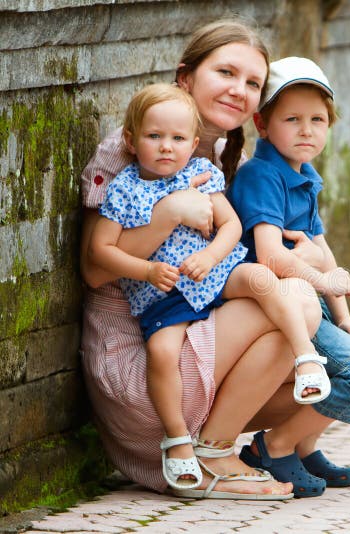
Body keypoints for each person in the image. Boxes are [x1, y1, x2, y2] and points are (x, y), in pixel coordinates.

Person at [79, 20, 327, 500]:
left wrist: (311, 254)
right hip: (142, 358)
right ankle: (211, 453)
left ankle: (219, 448)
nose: (239, 90)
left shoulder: (207, 154)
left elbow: (234, 245)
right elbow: (94, 270)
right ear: (186, 77)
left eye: (253, 83)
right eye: (226, 72)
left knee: (324, 363)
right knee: (298, 302)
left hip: (190, 316)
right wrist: (169, 214)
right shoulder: (134, 149)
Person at [227, 57, 350, 496]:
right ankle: (272, 447)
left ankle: (303, 445)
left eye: (318, 120)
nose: (307, 130)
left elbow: (321, 250)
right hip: (280, 303)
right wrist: (325, 282)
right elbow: (268, 255)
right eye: (293, 119)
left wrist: (344, 316)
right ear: (262, 124)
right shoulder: (261, 176)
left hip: (310, 297)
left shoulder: (303, 175)